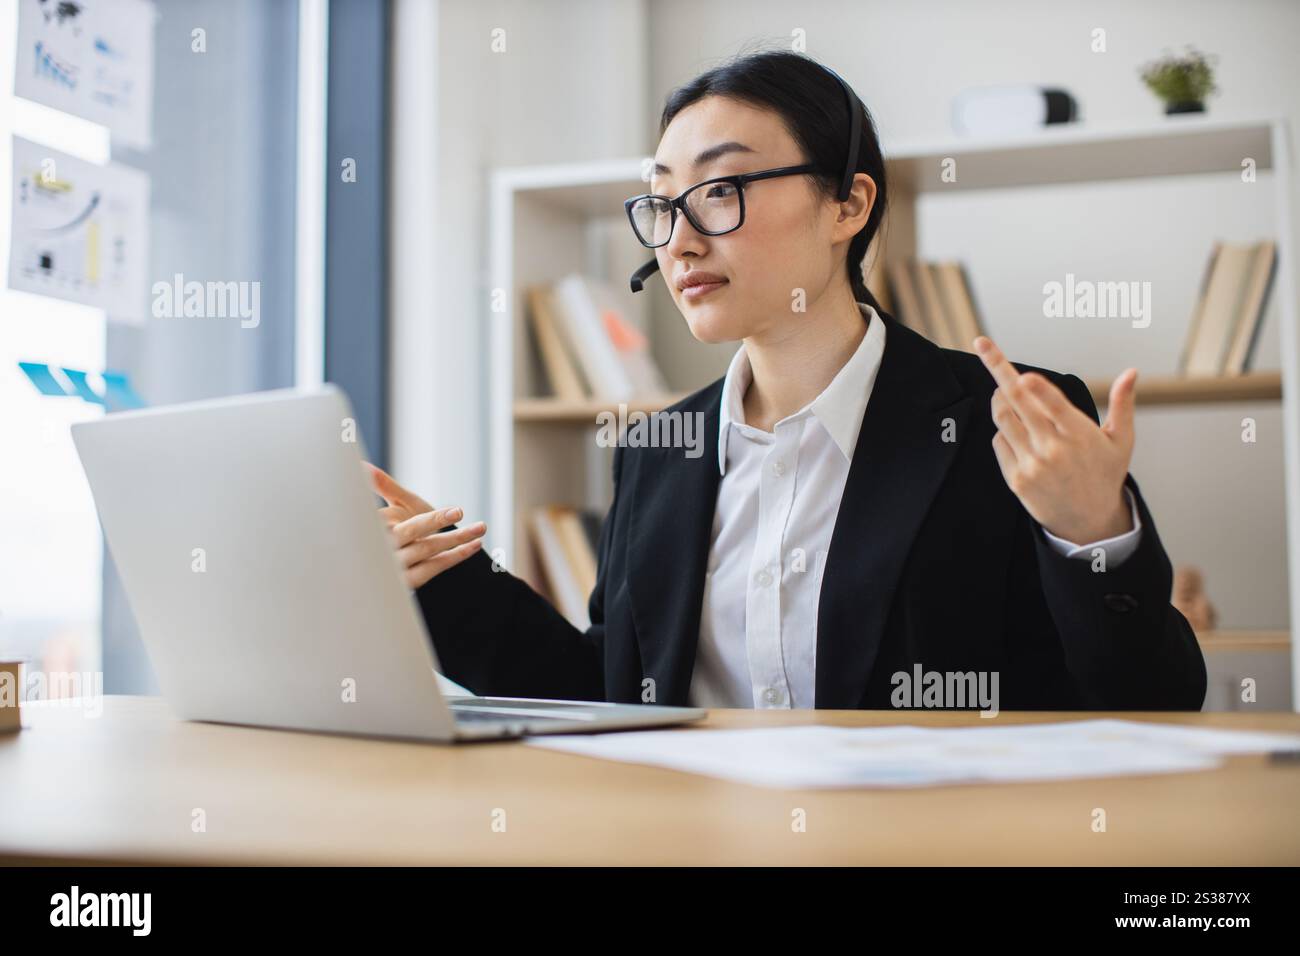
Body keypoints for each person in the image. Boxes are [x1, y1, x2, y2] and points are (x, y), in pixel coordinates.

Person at [367, 50, 1206, 711]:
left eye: (722, 189)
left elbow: (1151, 703)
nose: (681, 242)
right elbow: (612, 698)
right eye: (663, 204)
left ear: (848, 204)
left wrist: (1097, 538)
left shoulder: (1008, 421)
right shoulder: (656, 453)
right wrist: (445, 587)